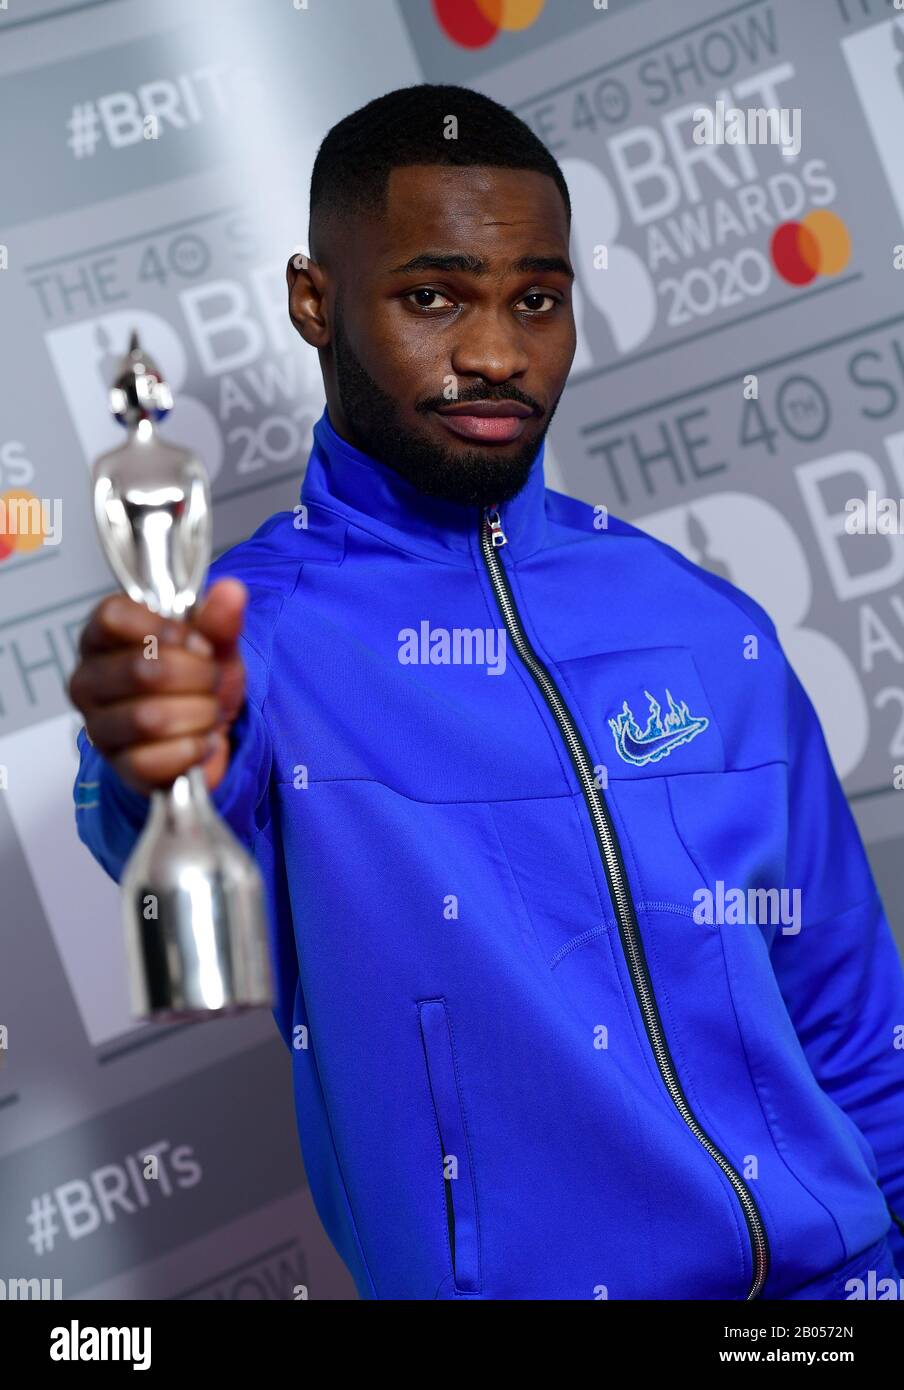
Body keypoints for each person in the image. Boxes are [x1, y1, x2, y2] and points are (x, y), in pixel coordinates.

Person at [68, 83, 904, 1301]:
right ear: (315, 301)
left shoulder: (697, 622)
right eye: (431, 296)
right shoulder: (256, 643)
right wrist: (145, 745)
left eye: (537, 301)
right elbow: (161, 803)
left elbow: (848, 1011)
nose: (497, 353)